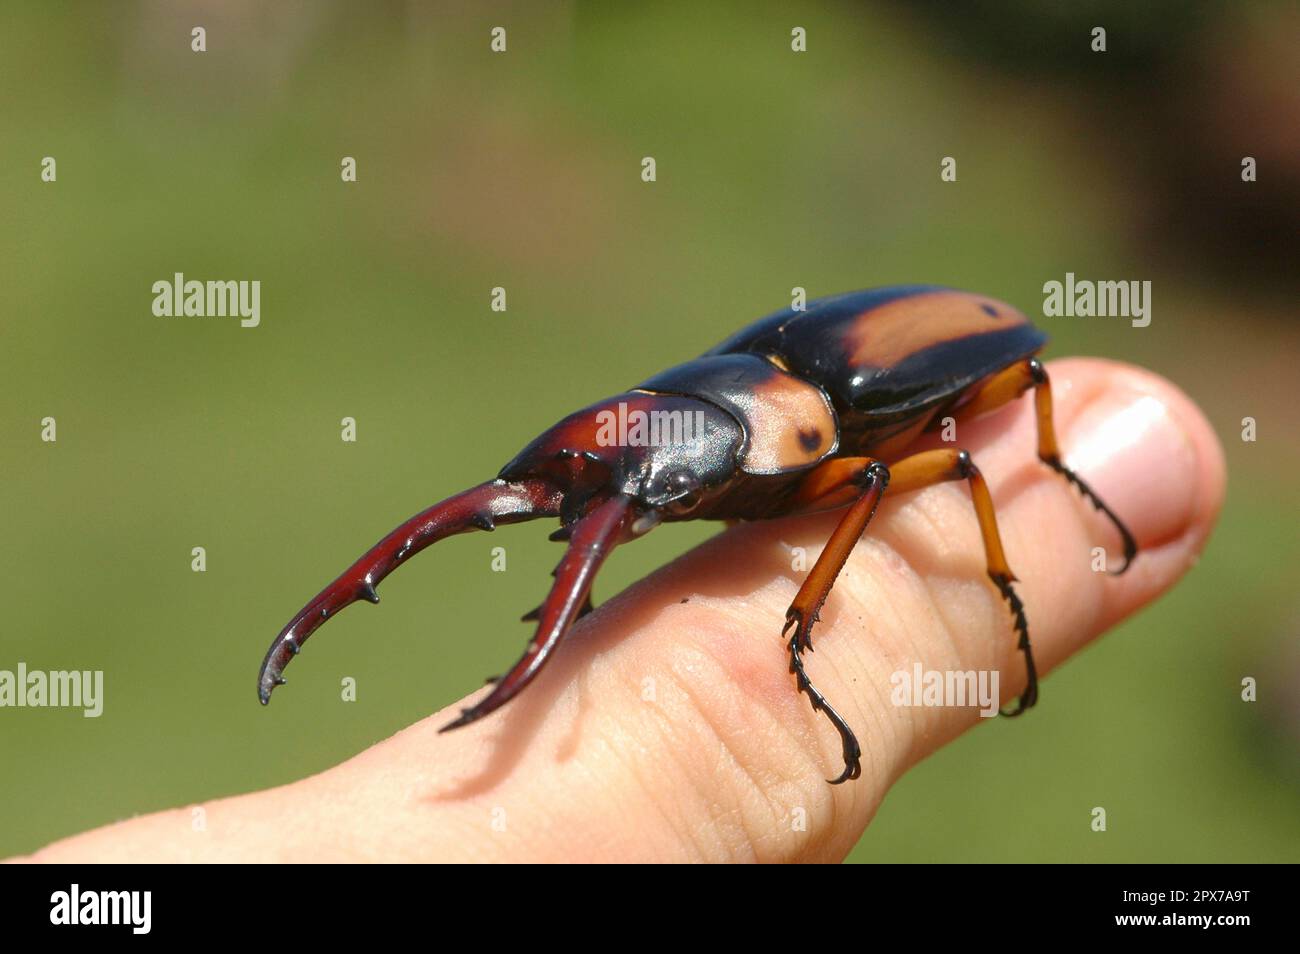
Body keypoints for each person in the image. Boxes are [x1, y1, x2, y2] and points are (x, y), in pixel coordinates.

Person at [15, 359, 1225, 863]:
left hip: (897, 380)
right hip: (762, 387)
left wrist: (797, 645)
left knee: (936, 469)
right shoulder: (724, 406)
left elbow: (931, 458)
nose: (623, 501)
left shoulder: (839, 440)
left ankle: (902, 588)